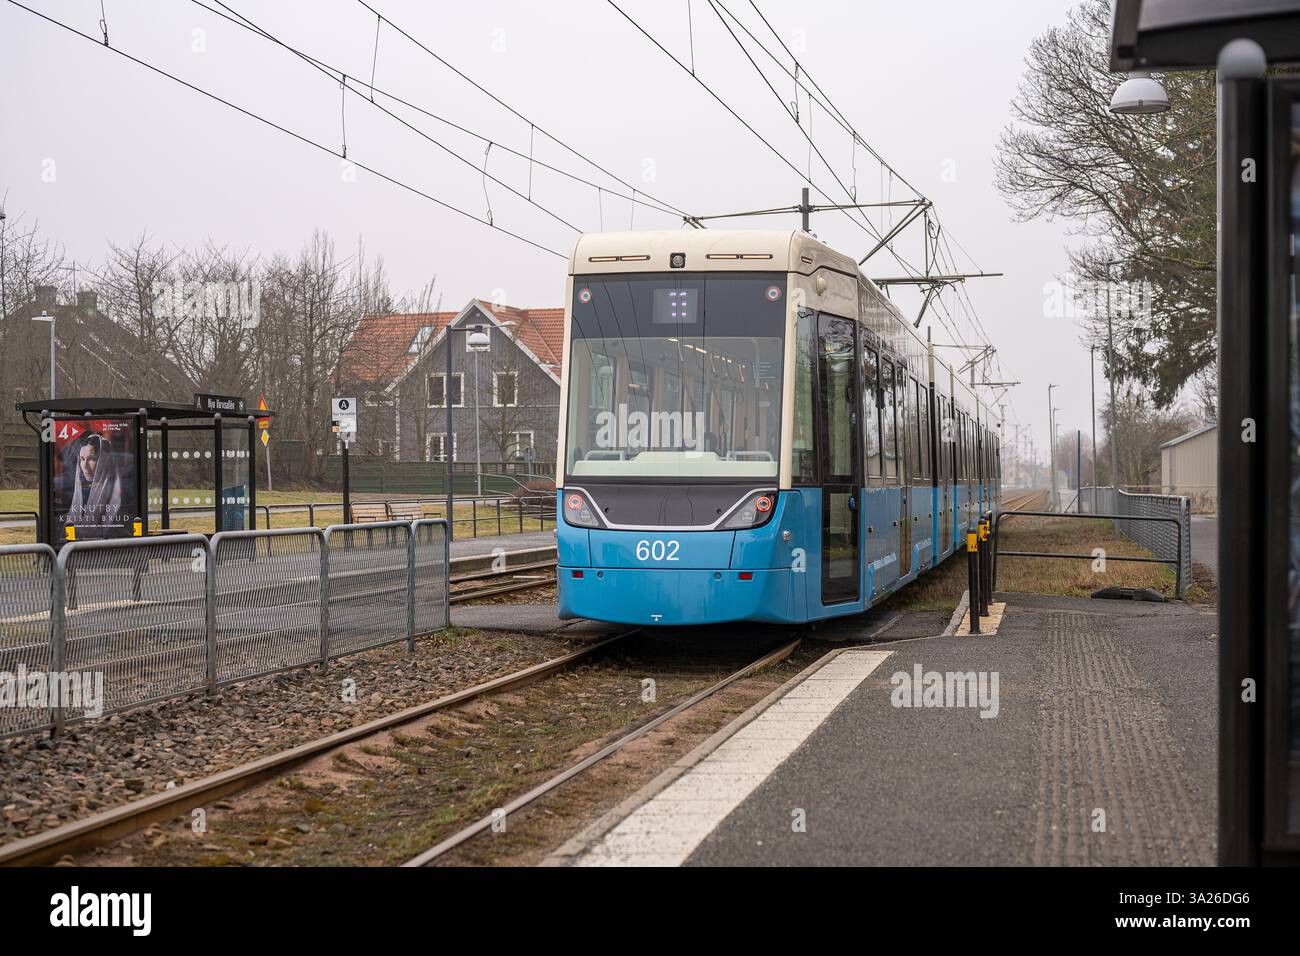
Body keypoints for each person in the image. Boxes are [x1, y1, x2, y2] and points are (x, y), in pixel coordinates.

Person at [66, 432, 124, 537]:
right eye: (82, 459)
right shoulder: (82, 493)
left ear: (104, 461)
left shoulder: (116, 496)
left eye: (92, 459)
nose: (84, 466)